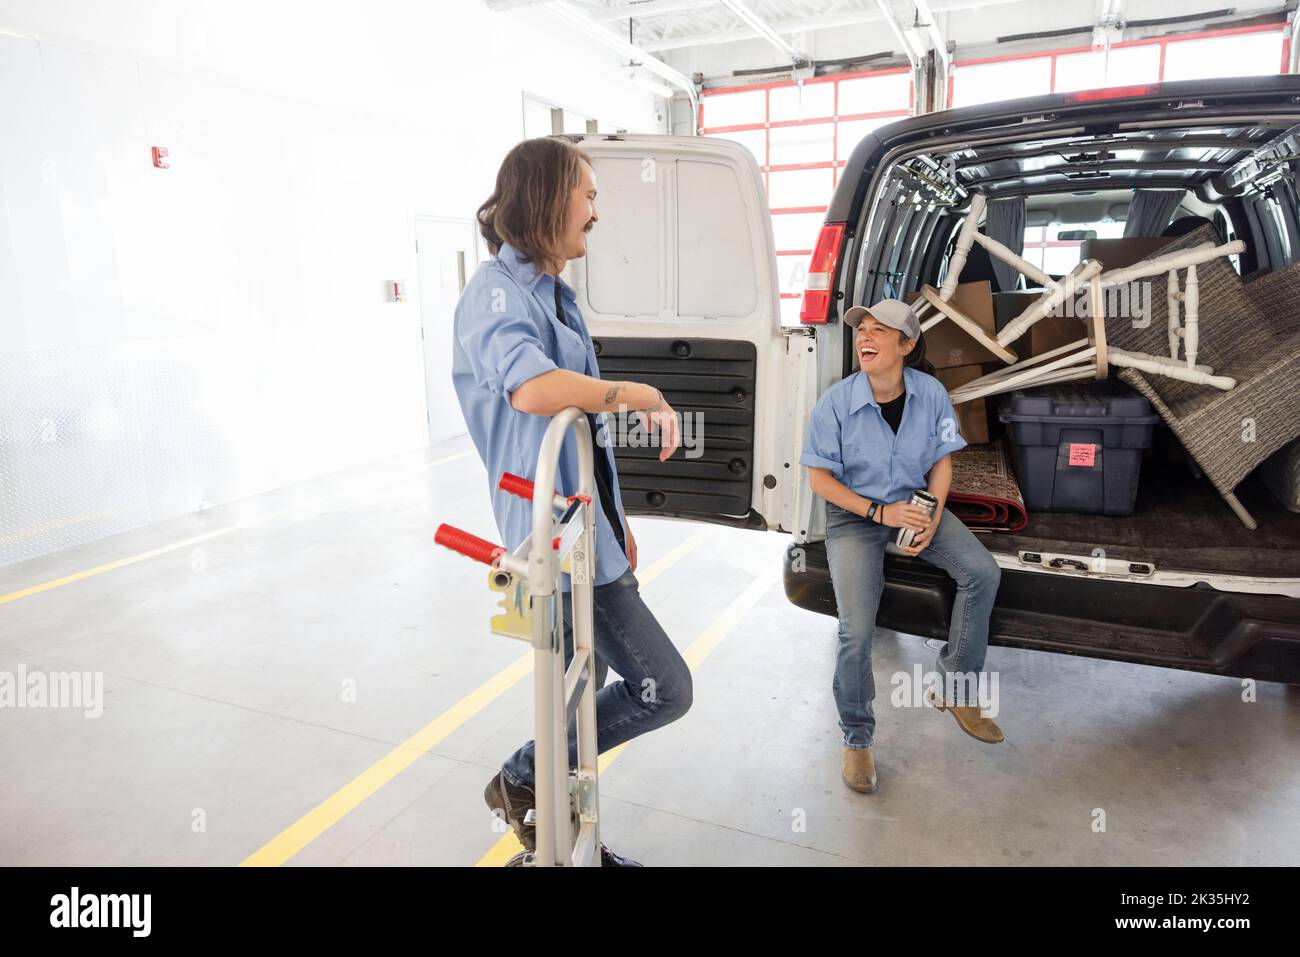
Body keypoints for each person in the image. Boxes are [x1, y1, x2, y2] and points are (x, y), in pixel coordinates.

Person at [451, 137, 692, 865]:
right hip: (552, 540)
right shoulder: (494, 294)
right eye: (586, 194)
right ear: (550, 199)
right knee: (660, 686)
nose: (595, 210)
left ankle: (569, 833)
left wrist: (618, 526)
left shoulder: (553, 293)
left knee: (583, 694)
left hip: (590, 535)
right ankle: (528, 783)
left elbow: (581, 434)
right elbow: (534, 389)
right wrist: (636, 392)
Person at [800, 299, 1005, 795]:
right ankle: (857, 738)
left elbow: (941, 460)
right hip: (856, 516)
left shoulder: (931, 393)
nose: (864, 338)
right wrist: (879, 513)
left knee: (982, 572)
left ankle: (956, 688)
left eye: (879, 331)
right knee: (856, 629)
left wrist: (932, 512)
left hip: (914, 503)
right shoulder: (835, 402)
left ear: (907, 346)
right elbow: (819, 480)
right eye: (861, 330)